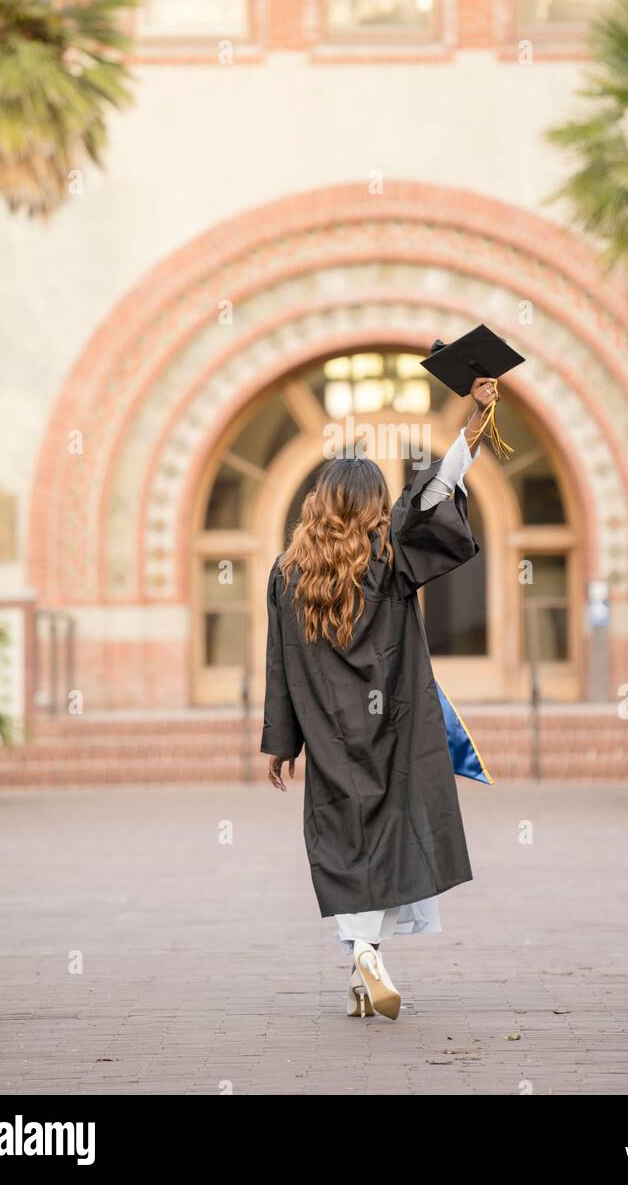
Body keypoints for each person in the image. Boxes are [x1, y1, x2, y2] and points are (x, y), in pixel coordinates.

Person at [260, 376, 496, 1020]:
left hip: (331, 742)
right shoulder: (388, 557)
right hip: (393, 733)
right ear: (371, 504)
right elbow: (438, 493)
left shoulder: (287, 574)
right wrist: (473, 423)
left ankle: (362, 963)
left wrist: (281, 745)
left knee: (347, 849)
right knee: (396, 844)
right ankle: (367, 953)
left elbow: (279, 666)